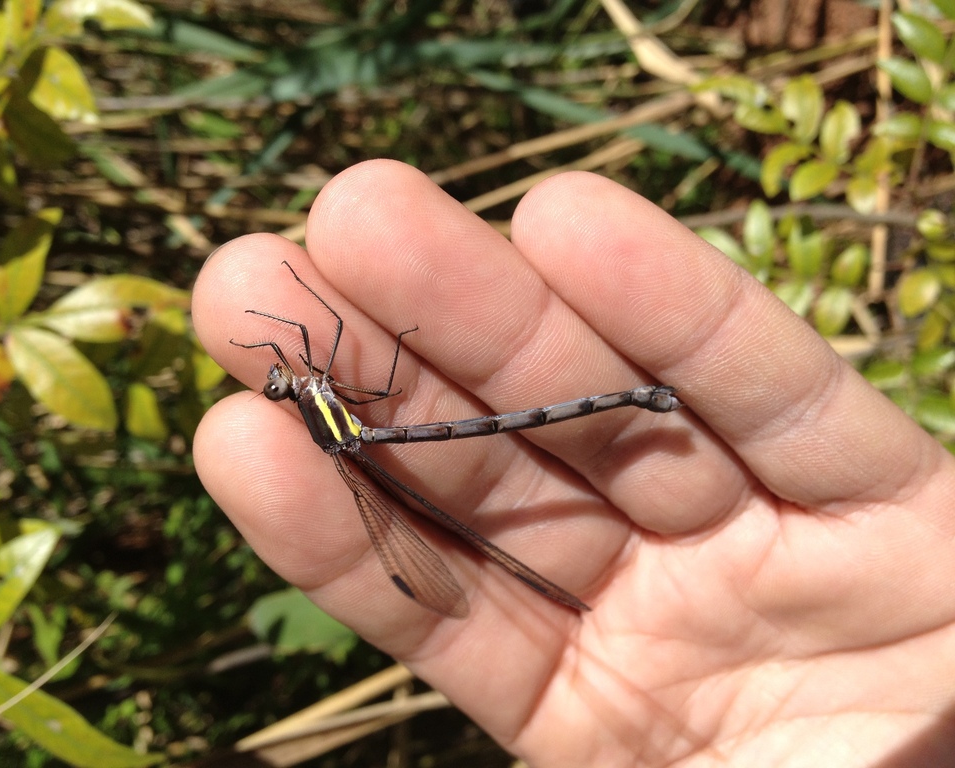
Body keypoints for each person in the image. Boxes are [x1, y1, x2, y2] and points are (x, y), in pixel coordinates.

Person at [192, 159, 955, 766]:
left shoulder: (318, 395)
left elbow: (354, 362)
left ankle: (640, 402)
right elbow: (336, 344)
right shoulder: (328, 421)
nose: (281, 376)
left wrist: (321, 316)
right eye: (282, 384)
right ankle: (637, 409)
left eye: (279, 375)